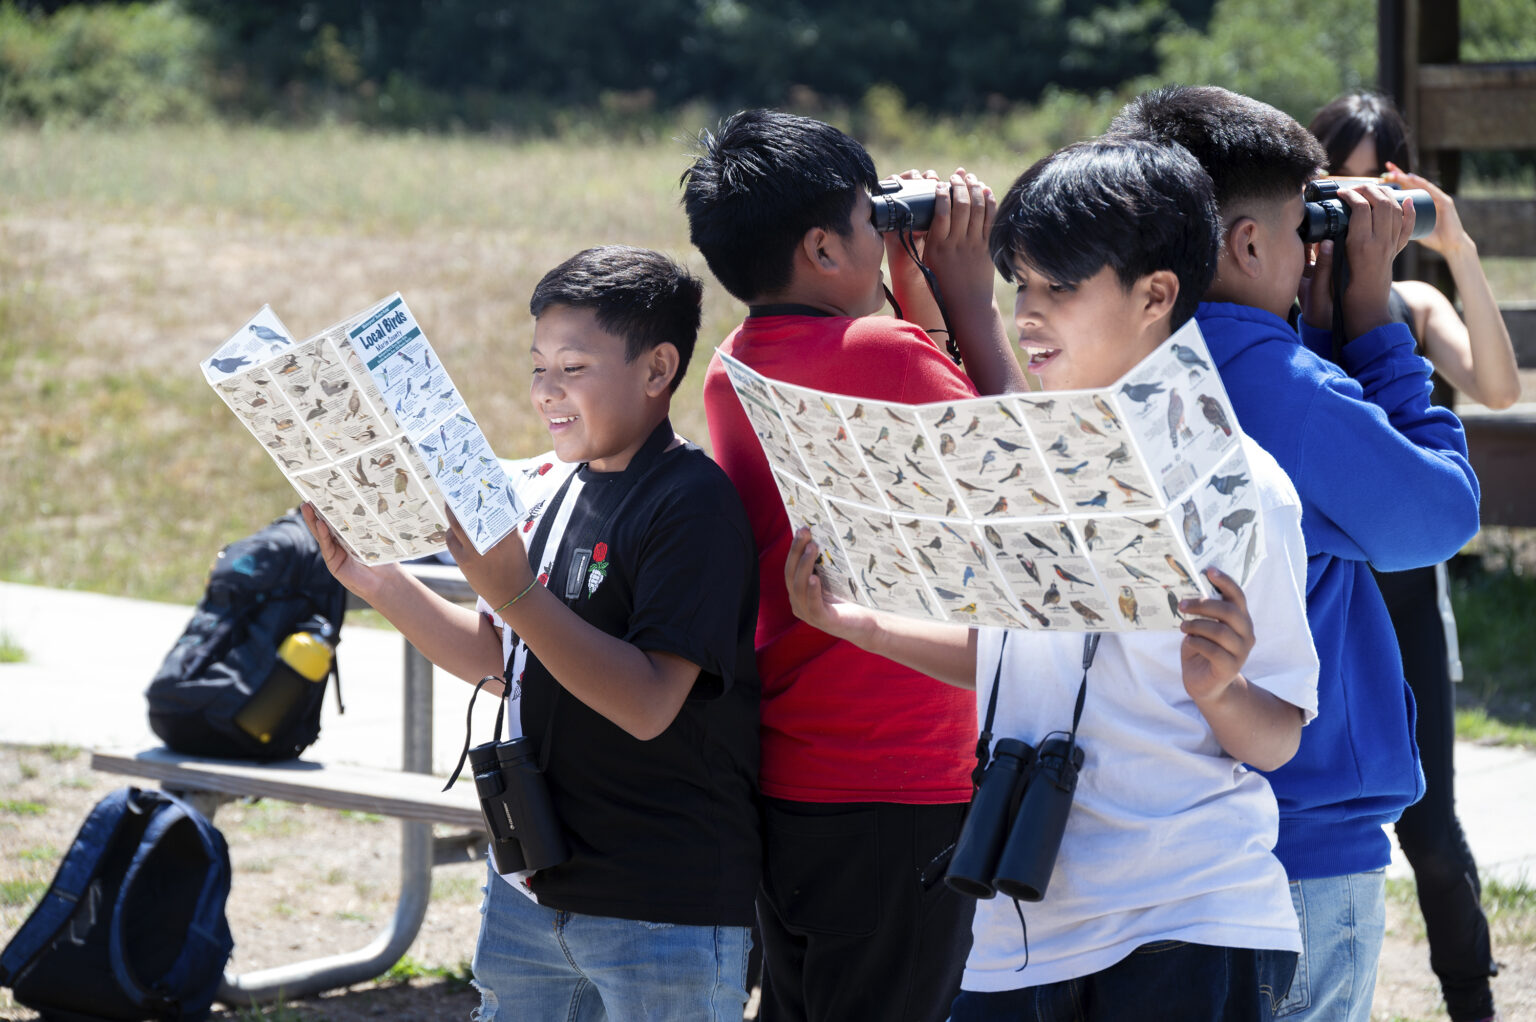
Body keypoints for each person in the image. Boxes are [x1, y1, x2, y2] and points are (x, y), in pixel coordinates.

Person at [784, 137, 1319, 1021]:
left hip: (1186, 917)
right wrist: (856, 622)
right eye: (1021, 285)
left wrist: (1221, 691)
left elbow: (1279, 737)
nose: (1027, 314)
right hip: (1015, 928)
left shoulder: (1241, 485)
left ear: (1156, 294)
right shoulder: (1017, 464)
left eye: (1058, 288)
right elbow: (1009, 658)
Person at [303, 245, 762, 1021]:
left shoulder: (693, 504)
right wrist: (377, 579)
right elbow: (501, 659)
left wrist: (513, 591)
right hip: (528, 890)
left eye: (574, 369)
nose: (547, 392)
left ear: (657, 370)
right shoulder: (551, 485)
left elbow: (650, 701)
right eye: (537, 366)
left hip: (660, 908)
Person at [1110, 85, 1483, 1022]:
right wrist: (1373, 324)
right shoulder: (1290, 387)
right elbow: (1437, 516)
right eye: (1293, 229)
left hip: (1147, 847)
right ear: (1243, 245)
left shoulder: (1121, 369)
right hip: (1299, 847)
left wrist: (1309, 327)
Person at [682, 108, 1028, 1021]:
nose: (886, 240)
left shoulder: (735, 366)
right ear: (822, 249)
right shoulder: (881, 351)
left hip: (802, 766)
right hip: (901, 773)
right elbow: (1024, 471)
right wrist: (972, 299)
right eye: (872, 224)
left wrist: (914, 296)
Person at [1306, 91, 1518, 1022]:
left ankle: (1470, 1001)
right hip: (1317, 587)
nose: (1356, 208)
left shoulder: (1414, 299)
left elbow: (1502, 388)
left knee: (1430, 825)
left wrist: (1458, 245)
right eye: (1333, 185)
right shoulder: (1279, 293)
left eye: (1374, 186)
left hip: (1404, 591)